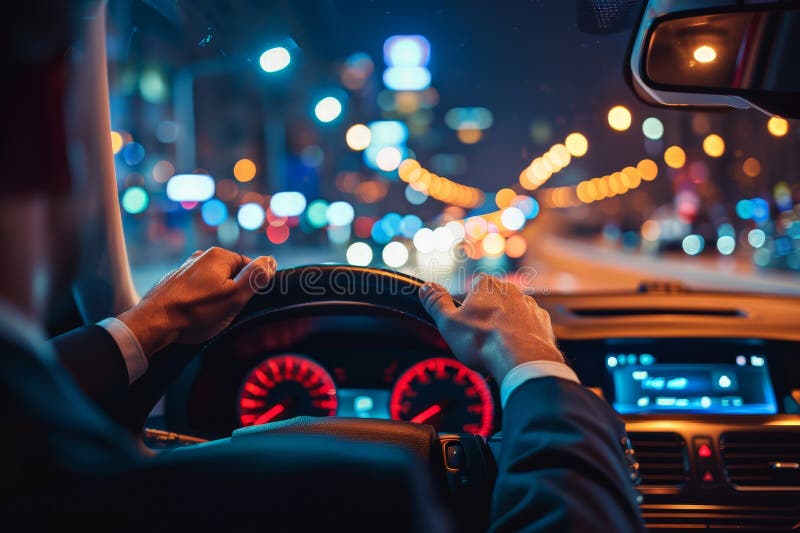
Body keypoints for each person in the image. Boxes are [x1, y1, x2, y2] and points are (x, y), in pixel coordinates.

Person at [0, 2, 643, 530]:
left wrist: (145, 328)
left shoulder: (44, 449)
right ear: (56, 138)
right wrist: (535, 365)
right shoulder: (348, 492)